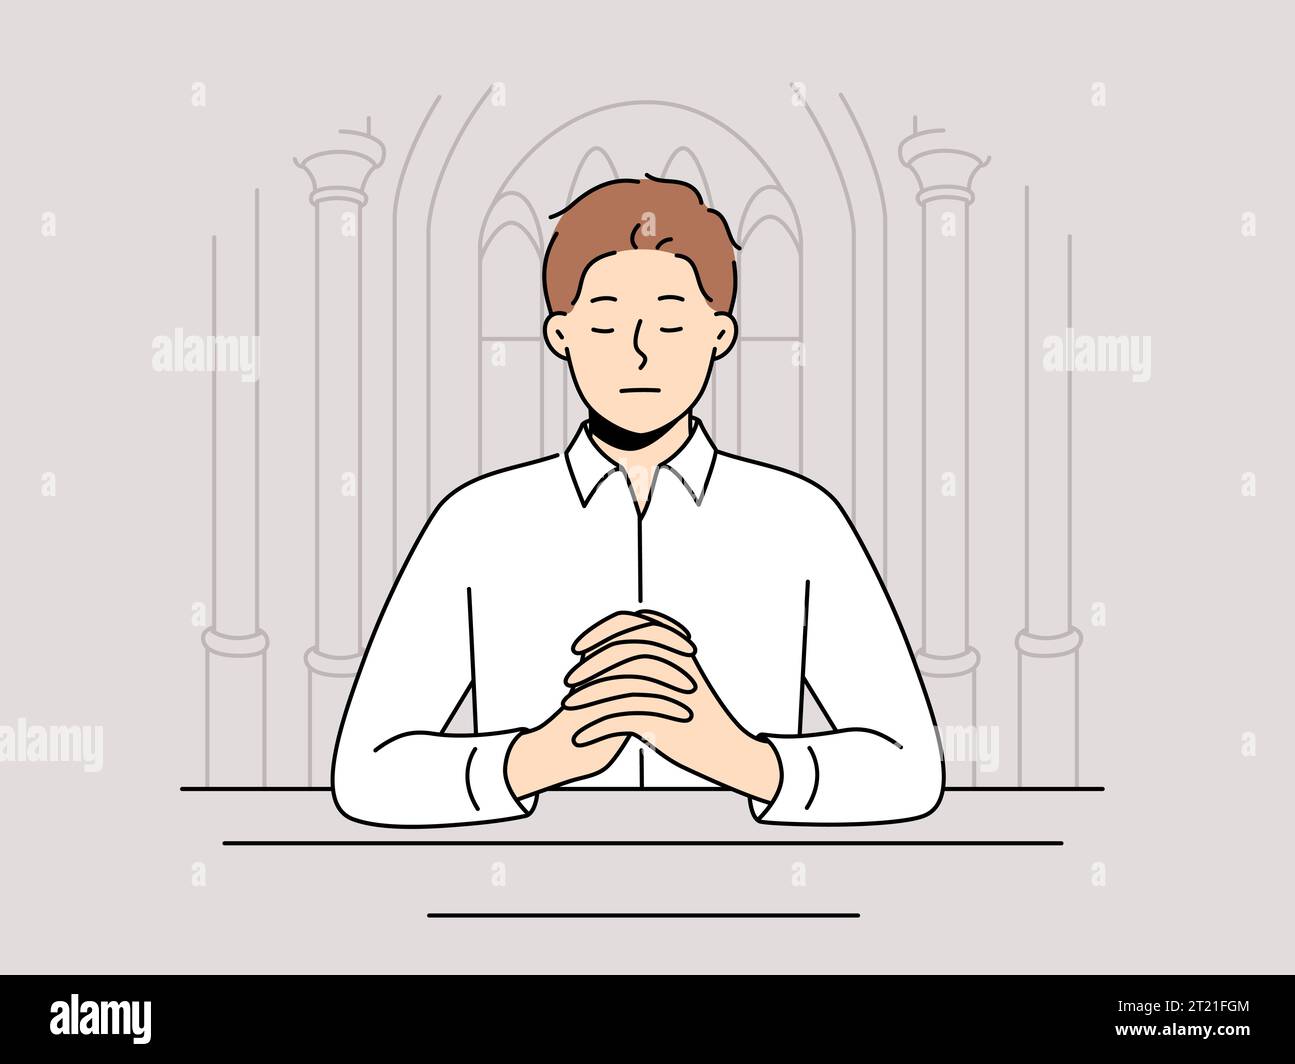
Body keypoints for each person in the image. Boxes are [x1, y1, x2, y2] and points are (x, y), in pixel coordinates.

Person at [331, 175, 944, 827]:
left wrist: (739, 759)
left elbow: (910, 769)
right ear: (560, 335)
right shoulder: (476, 524)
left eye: (673, 322)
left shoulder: (800, 521)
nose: (640, 351)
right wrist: (534, 760)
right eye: (606, 322)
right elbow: (365, 773)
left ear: (720, 335)